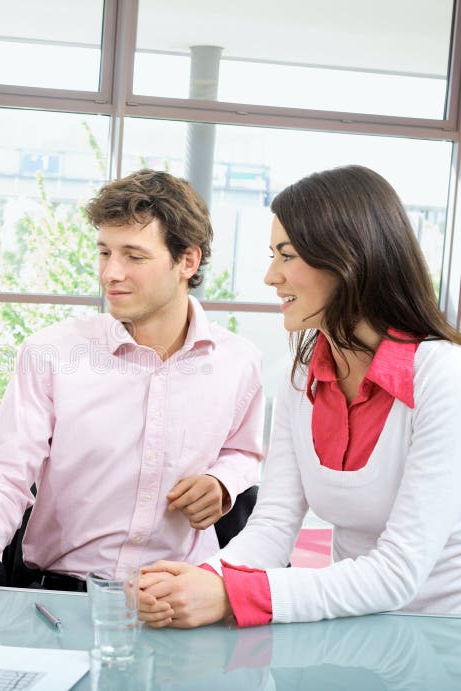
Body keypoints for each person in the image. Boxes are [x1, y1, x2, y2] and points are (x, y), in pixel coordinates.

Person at [137, 164, 461, 629]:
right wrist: (193, 583)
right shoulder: (302, 378)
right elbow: (272, 528)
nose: (271, 276)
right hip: (353, 628)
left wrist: (230, 594)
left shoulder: (444, 375)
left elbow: (398, 573)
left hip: (441, 639)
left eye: (287, 256)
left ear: (347, 257)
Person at [0, 169, 264, 604]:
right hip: (61, 599)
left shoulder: (238, 362)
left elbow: (244, 452)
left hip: (179, 600)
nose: (110, 273)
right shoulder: (50, 353)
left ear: (188, 261)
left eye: (133, 256)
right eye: (104, 252)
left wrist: (222, 482)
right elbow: (5, 472)